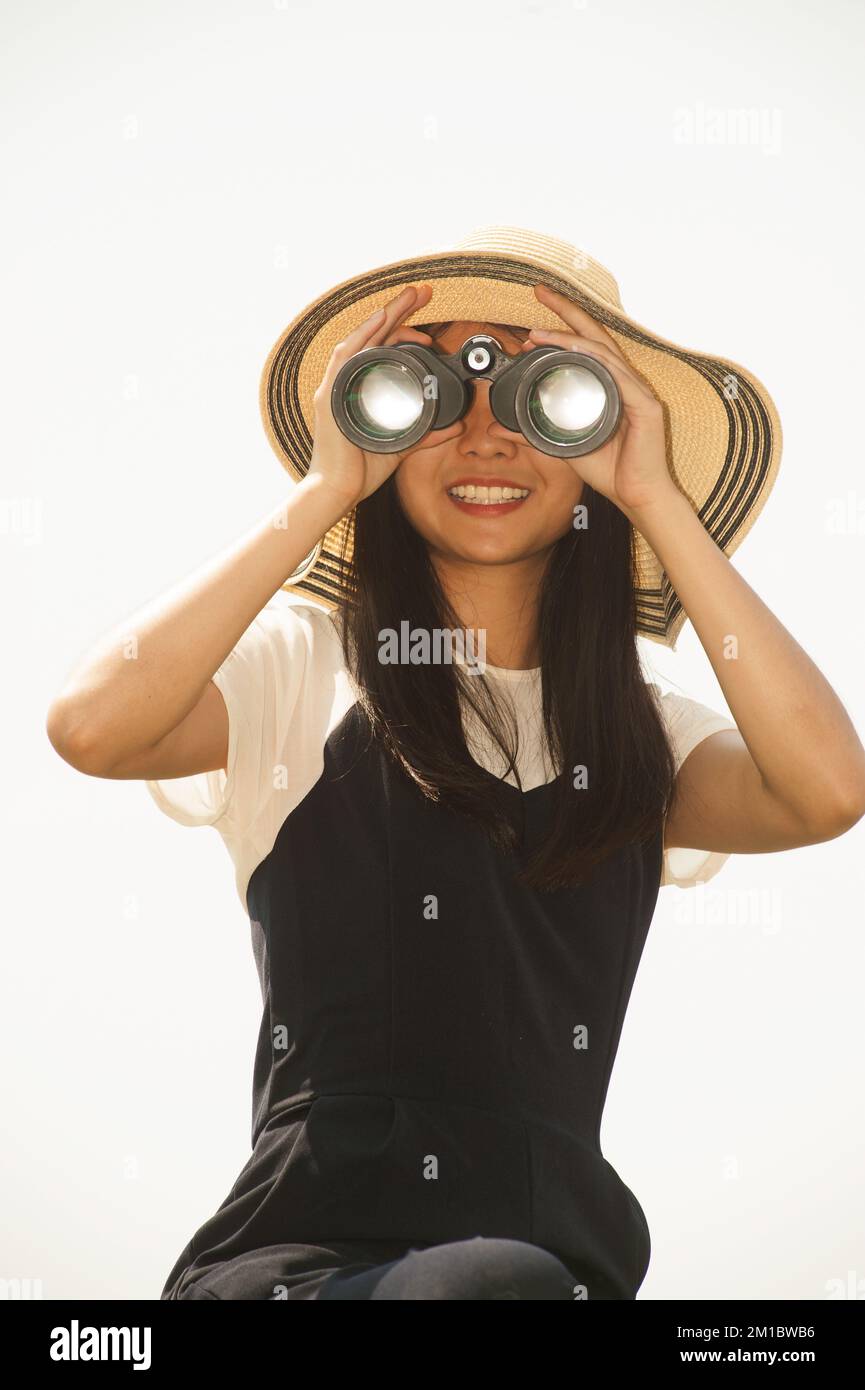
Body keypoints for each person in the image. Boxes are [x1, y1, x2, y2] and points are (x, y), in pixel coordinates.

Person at [46, 227, 865, 1300]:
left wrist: (654, 498)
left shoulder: (636, 737)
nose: (486, 435)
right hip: (304, 1263)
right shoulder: (311, 673)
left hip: (550, 1266)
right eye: (432, 392)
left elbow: (827, 786)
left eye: (544, 396)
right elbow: (92, 724)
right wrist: (324, 489)